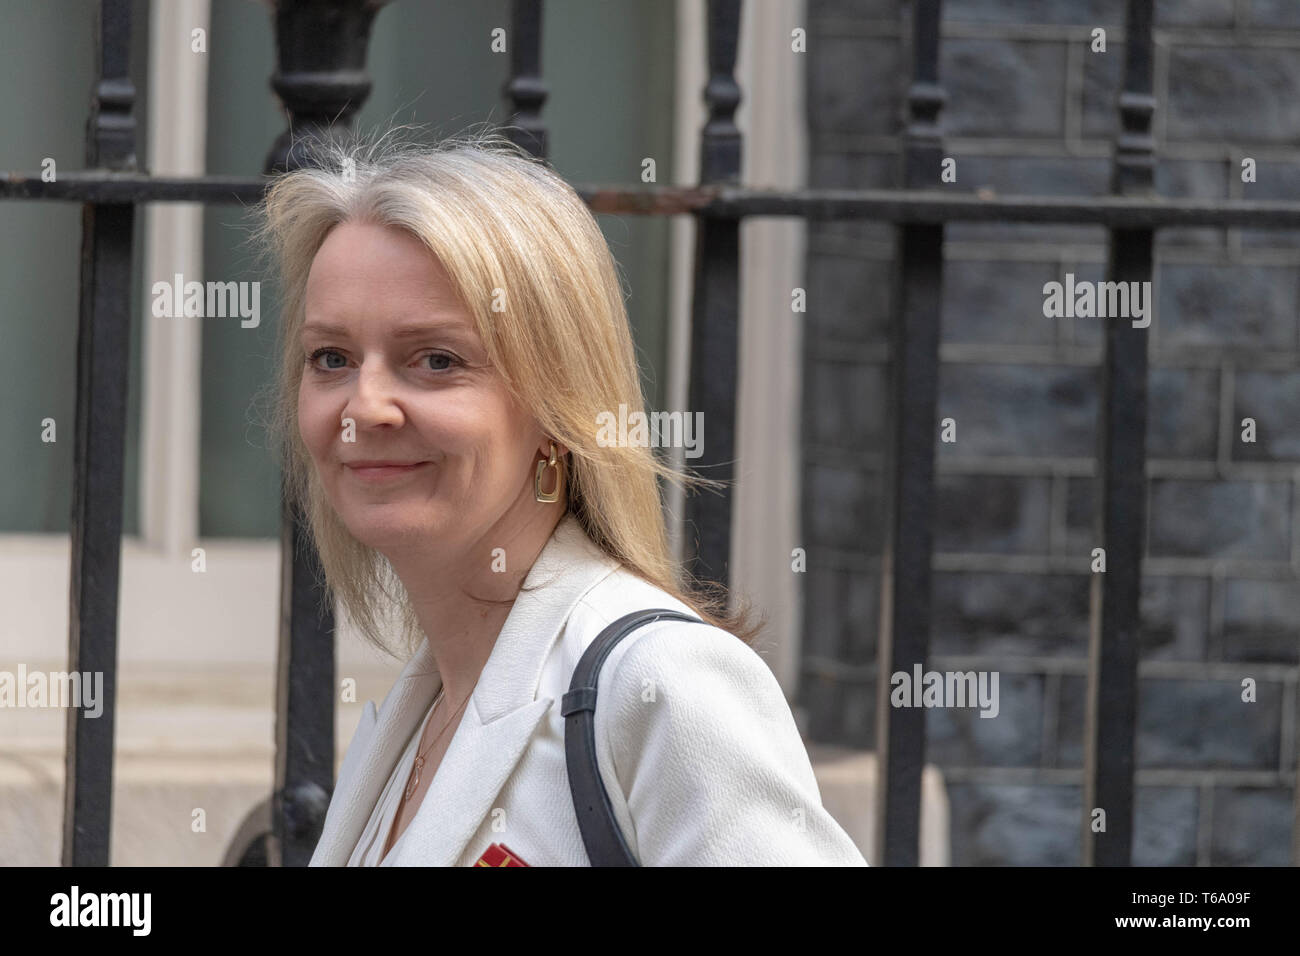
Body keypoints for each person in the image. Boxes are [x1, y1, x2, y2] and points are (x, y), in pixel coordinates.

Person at [254, 129, 868, 866]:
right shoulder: (418, 717)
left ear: (558, 406)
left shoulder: (663, 685)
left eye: (437, 360)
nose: (365, 406)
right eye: (332, 358)